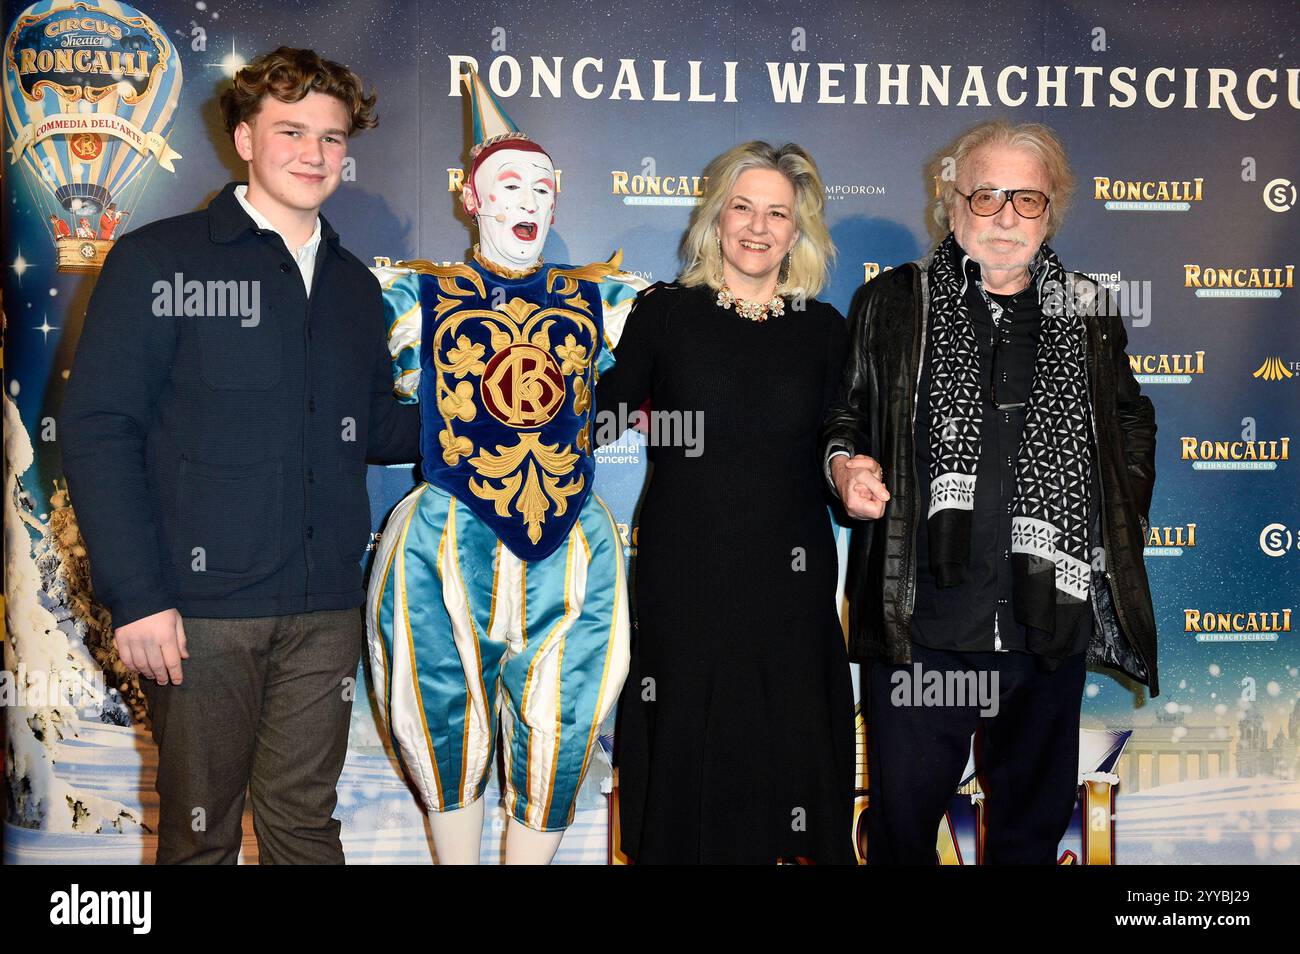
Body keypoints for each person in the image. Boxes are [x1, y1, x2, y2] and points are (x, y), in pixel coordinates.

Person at [60, 47, 420, 864]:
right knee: (201, 835)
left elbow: (374, 426)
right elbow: (99, 428)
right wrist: (139, 596)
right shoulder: (160, 260)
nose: (315, 153)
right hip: (196, 616)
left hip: (326, 611)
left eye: (332, 138)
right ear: (244, 137)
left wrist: (499, 435)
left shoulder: (356, 288)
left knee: (303, 827)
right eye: (291, 130)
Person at [821, 119, 1158, 864]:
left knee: (1028, 838)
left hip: (1047, 624)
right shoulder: (894, 302)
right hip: (928, 627)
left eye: (1027, 200)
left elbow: (1131, 419)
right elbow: (844, 414)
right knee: (903, 832)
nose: (1006, 216)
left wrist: (1117, 513)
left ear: (1052, 210)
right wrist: (845, 465)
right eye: (986, 195)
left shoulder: (1089, 308)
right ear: (951, 203)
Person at [365, 68, 642, 865]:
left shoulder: (608, 297)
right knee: (440, 717)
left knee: (564, 722)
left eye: (543, 188)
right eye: (507, 183)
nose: (527, 201)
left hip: (572, 549)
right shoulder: (409, 295)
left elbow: (691, 357)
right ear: (471, 198)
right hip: (444, 539)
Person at [601, 141, 855, 864]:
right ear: (715, 218)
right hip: (687, 574)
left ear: (798, 229)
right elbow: (601, 417)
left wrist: (857, 469)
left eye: (778, 213)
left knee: (787, 745)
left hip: (791, 578)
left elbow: (844, 438)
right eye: (741, 207)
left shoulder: (824, 330)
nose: (757, 226)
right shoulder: (667, 315)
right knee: (686, 733)